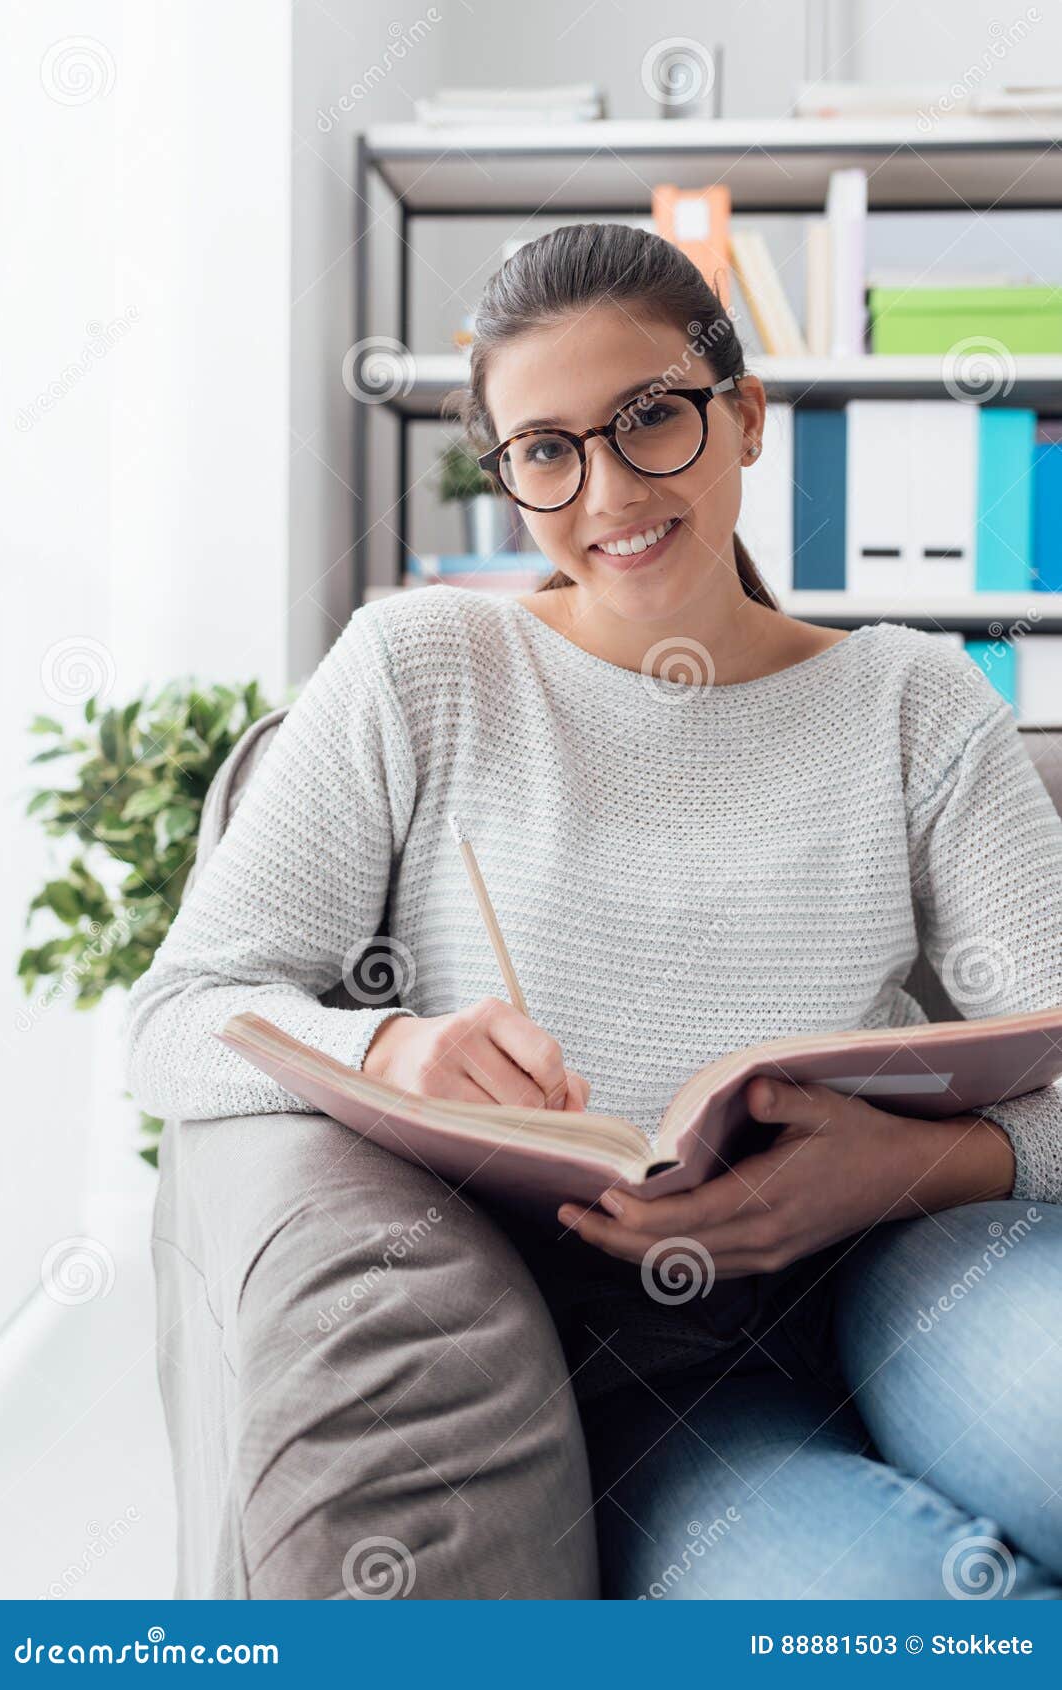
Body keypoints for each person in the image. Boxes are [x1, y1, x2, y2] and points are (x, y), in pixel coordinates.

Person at [126, 223, 1062, 1600]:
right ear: (508, 478)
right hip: (658, 1384)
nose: (610, 486)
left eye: (653, 418)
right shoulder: (422, 668)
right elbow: (174, 1019)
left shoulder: (915, 703)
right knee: (915, 1609)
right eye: (548, 450)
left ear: (743, 415)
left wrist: (913, 1166)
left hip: (921, 1265)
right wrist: (384, 1051)